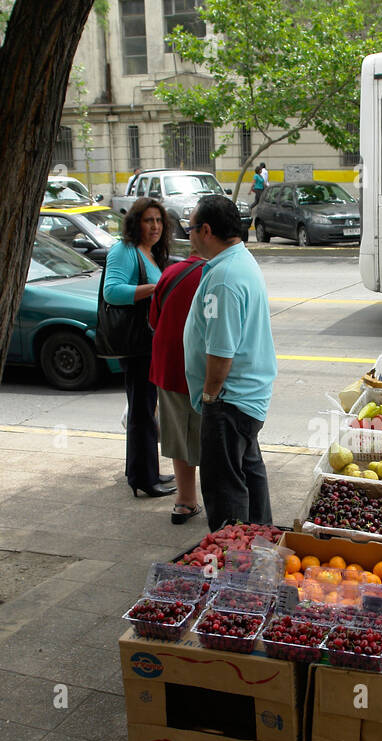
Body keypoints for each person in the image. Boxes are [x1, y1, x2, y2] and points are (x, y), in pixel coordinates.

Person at [183, 195, 276, 531]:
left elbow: (221, 349)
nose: (188, 235)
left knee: (225, 488)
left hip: (229, 400)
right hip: (246, 398)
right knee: (249, 473)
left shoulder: (224, 278)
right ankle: (261, 546)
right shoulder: (240, 262)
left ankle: (231, 563)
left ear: (206, 230)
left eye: (191, 228)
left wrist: (209, 397)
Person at [105, 198, 176, 499]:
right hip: (137, 345)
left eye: (159, 221)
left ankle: (142, 470)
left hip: (151, 343)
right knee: (143, 411)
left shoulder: (151, 252)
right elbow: (113, 291)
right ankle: (144, 479)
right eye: (149, 221)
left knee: (145, 409)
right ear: (136, 222)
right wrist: (155, 289)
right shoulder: (124, 251)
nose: (155, 227)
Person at [149, 250, 207, 524]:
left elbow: (154, 320)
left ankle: (185, 502)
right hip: (207, 370)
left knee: (179, 437)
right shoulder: (219, 275)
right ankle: (220, 502)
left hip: (170, 366)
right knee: (210, 438)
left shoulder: (170, 274)